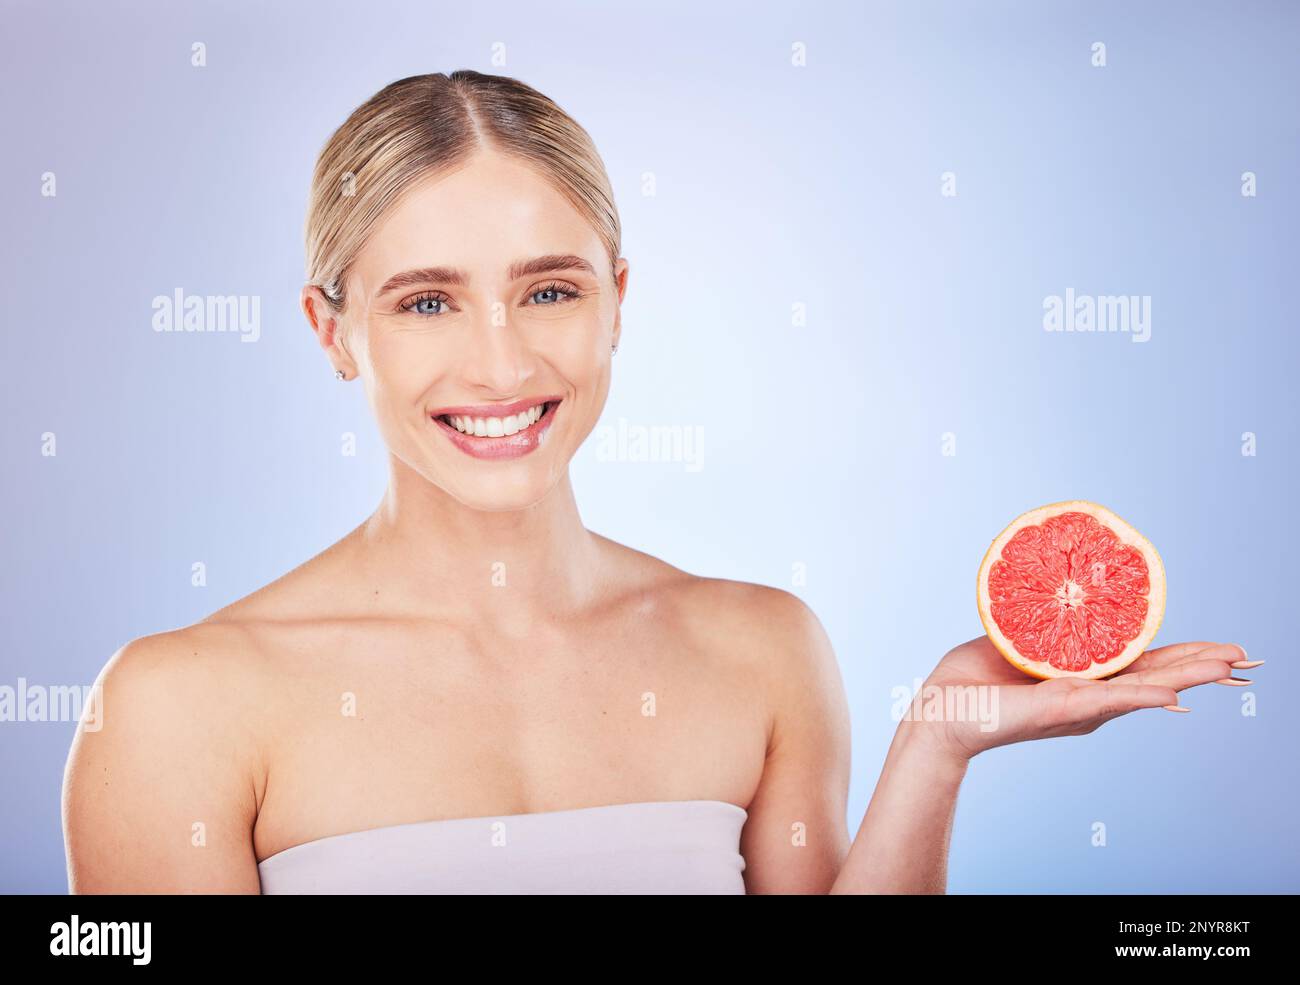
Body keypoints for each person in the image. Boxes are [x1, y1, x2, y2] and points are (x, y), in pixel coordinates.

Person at [62, 70, 1254, 894]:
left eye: (550, 289)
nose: (501, 360)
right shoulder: (178, 706)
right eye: (426, 301)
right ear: (331, 333)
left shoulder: (762, 648)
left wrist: (935, 743)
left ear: (618, 302)